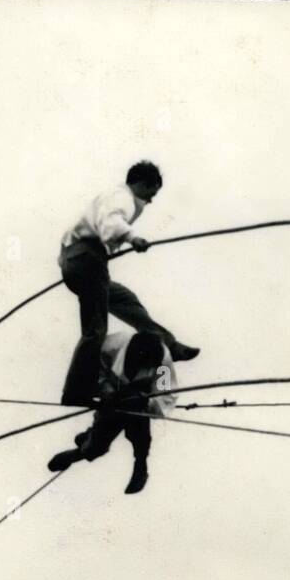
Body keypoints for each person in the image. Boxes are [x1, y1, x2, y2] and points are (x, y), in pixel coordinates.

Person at [59, 160, 199, 406]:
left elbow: (165, 391)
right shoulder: (122, 197)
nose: (151, 201)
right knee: (95, 330)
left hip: (79, 258)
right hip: (86, 258)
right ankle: (76, 392)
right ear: (143, 184)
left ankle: (169, 339)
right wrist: (132, 238)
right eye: (151, 193)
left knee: (124, 298)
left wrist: (156, 405)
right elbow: (111, 221)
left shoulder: (161, 357)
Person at [50, 329, 177, 496]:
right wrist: (106, 390)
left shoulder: (162, 361)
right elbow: (97, 370)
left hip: (139, 398)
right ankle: (79, 452)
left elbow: (165, 395)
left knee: (139, 431)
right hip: (113, 394)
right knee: (98, 443)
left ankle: (141, 465)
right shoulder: (110, 346)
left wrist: (147, 401)